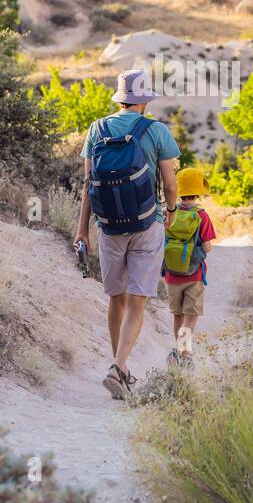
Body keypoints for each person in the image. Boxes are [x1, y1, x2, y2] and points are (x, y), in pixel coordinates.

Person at [74, 69, 180, 400]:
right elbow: (171, 184)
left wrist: (82, 230)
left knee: (115, 298)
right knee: (137, 300)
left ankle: (118, 367)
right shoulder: (157, 131)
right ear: (143, 101)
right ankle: (119, 366)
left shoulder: (96, 129)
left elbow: (88, 186)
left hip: (108, 227)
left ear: (120, 100)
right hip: (147, 225)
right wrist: (172, 212)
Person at [161, 166, 216, 367]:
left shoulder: (168, 212)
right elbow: (208, 248)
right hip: (194, 276)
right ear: (197, 190)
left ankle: (181, 353)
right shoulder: (202, 216)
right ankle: (181, 352)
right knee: (190, 317)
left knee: (178, 315)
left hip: (171, 275)